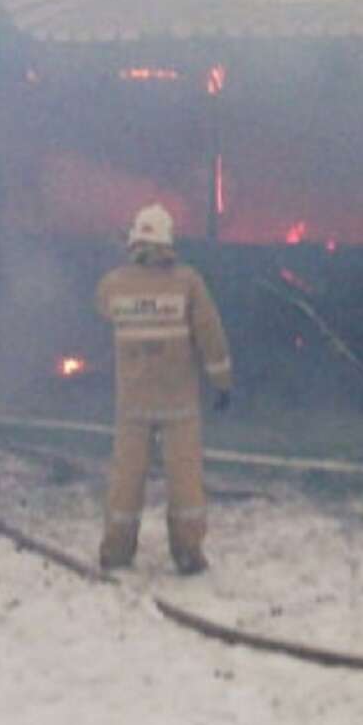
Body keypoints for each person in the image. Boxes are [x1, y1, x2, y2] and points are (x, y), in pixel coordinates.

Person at [94, 203, 233, 574]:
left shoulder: (113, 285)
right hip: (178, 404)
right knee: (185, 481)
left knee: (126, 480)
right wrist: (221, 382)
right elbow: (210, 336)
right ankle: (188, 553)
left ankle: (117, 551)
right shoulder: (188, 282)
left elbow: (103, 309)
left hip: (132, 404)